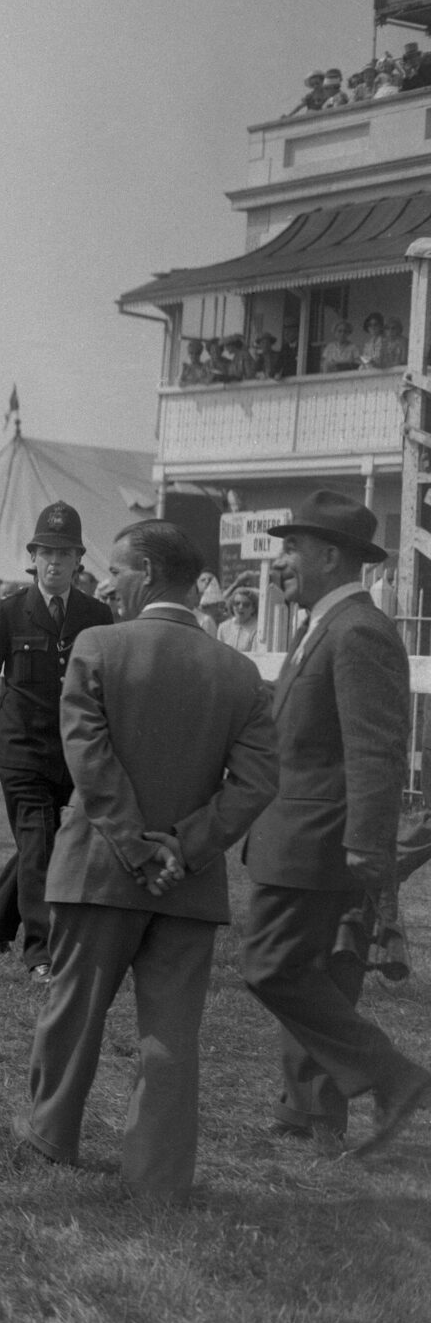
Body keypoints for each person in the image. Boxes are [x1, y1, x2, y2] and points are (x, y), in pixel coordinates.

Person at [17, 520, 277, 1203]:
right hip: (188, 884)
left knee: (73, 1010)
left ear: (151, 575)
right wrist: (183, 848)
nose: (106, 582)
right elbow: (254, 784)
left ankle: (52, 1137)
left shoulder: (98, 646)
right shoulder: (240, 673)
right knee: (171, 1034)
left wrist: (133, 846)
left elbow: (89, 759)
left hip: (101, 870)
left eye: (118, 569)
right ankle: (157, 1177)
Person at [241, 491, 431, 1157]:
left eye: (293, 547)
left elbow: (374, 749)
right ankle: (310, 1113)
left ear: (328, 555)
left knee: (269, 965)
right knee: (309, 970)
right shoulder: (324, 626)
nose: (282, 560)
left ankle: (395, 1075)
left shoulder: (356, 632)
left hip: (321, 842)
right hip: (299, 836)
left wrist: (364, 848)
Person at [0, 503, 114, 978]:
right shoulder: (7, 612)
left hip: (73, 753)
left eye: (65, 553)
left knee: (41, 845)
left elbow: (110, 686)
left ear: (79, 560)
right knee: (40, 841)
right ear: (34, 556)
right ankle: (40, 951)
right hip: (21, 750)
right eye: (47, 552)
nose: (56, 562)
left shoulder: (98, 614)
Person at [216, 583, 260, 652]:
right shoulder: (223, 628)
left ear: (253, 608)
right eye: (237, 603)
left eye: (246, 604)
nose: (241, 607)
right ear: (232, 605)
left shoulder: (257, 629)